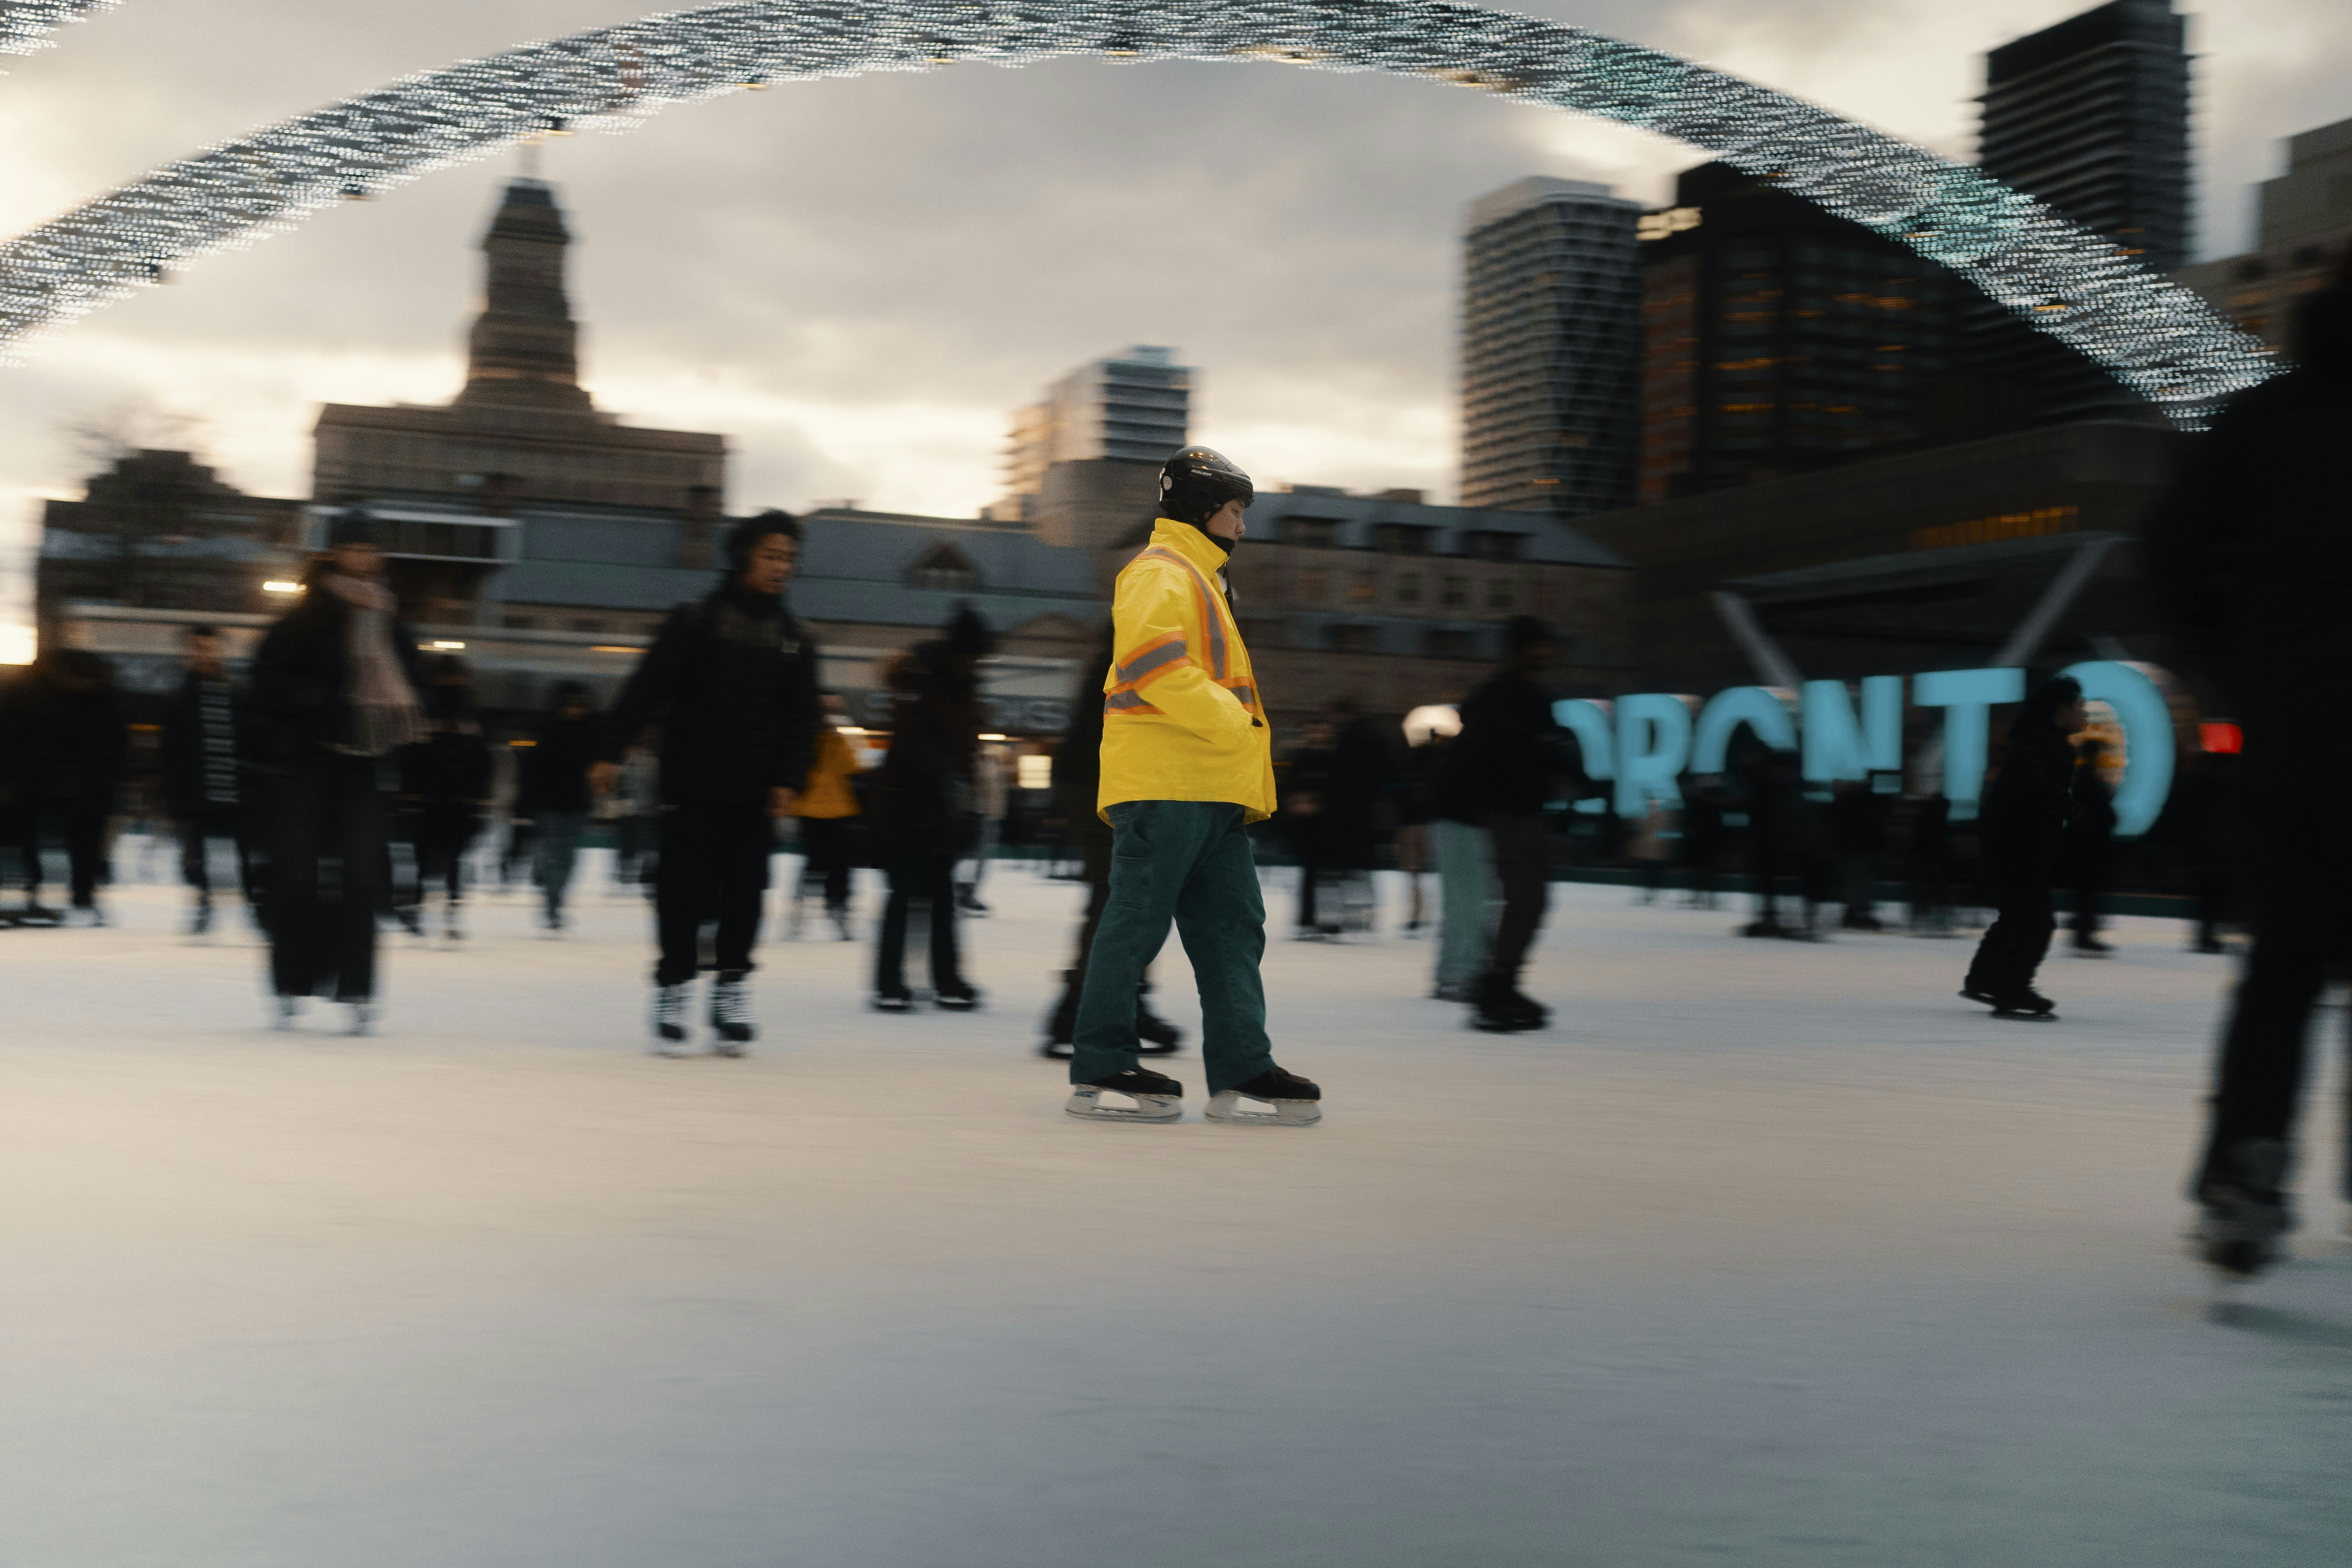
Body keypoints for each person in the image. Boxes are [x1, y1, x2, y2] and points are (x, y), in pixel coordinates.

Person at [2145, 262, 2352, 1277]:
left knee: (2284, 963)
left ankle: (2243, 1170)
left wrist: (2227, 677)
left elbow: (2169, 561)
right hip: (2293, 736)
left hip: (2284, 742)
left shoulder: (2260, 425)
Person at [1063, 447, 1316, 1125]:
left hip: (1216, 791)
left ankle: (1243, 1066)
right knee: (1135, 926)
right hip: (1166, 786)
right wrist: (1233, 721)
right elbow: (1151, 666)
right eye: (1236, 509)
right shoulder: (1159, 573)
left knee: (1234, 931)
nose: (1242, 525)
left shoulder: (1207, 581)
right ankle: (1101, 1061)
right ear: (1205, 509)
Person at [594, 510, 821, 1057]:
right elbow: (647, 688)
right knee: (681, 892)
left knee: (746, 896)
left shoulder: (794, 639)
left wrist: (790, 778)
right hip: (692, 783)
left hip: (756, 793)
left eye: (789, 558)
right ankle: (673, 988)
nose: (781, 567)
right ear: (744, 556)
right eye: (771, 555)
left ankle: (731, 990)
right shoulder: (696, 621)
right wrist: (609, 750)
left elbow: (803, 719)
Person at [249, 514, 425, 1033]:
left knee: (362, 880)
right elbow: (265, 680)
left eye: (372, 548)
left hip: (367, 762)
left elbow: (420, 682)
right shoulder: (307, 614)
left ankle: (357, 988)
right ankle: (290, 983)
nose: (365, 557)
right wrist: (318, 703)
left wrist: (408, 713)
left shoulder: (391, 619)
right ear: (334, 554)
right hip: (309, 759)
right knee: (297, 876)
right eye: (354, 547)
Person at [1040, 623, 1183, 1059]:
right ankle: (1087, 1006)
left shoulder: (1128, 640)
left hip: (1104, 780)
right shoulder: (1147, 643)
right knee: (1122, 895)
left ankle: (1111, 1001)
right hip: (1112, 783)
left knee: (1125, 894)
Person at [1444, 616, 1581, 1033]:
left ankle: (1502, 981)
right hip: (1511, 814)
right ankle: (1497, 985)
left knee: (1527, 902)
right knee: (1526, 901)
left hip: (1519, 812)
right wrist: (1541, 750)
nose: (1550, 653)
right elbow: (1496, 746)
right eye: (1542, 645)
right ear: (1522, 648)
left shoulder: (1524, 696)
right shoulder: (1508, 696)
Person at [867, 613, 989, 1012]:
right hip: (906, 807)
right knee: (903, 896)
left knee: (940, 898)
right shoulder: (918, 680)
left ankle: (947, 979)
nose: (978, 665)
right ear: (960, 653)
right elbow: (911, 742)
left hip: (942, 813)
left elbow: (967, 745)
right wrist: (946, 777)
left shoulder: (965, 686)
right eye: (974, 657)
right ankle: (889, 983)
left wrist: (966, 794)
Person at [1957, 675, 2085, 1021]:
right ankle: (2012, 989)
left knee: (2016, 915)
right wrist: (2064, 803)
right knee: (2036, 920)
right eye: (2079, 706)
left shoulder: (2041, 740)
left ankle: (1984, 979)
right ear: (2061, 710)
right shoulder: (2039, 741)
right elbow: (2027, 775)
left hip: (2013, 841)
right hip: (2017, 844)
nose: (2084, 714)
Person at [159, 624, 261, 935]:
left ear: (222, 650)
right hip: (196, 792)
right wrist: (173, 800)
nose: (204, 654)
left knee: (250, 856)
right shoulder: (179, 700)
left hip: (238, 791)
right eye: (197, 648)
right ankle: (204, 902)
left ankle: (255, 907)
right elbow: (170, 755)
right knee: (196, 857)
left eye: (210, 647)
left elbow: (256, 744)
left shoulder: (240, 696)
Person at [394, 657, 494, 941]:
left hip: (432, 799)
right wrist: (479, 798)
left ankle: (422, 910)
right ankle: (445, 913)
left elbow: (409, 755)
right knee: (450, 861)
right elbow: (483, 761)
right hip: (454, 800)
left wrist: (408, 794)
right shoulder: (470, 716)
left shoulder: (427, 711)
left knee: (426, 859)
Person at [516, 681, 601, 932]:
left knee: (567, 855)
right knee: (556, 851)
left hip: (576, 804)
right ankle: (552, 901)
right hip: (550, 803)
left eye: (579, 705)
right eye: (571, 705)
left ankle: (554, 898)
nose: (575, 710)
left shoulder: (591, 734)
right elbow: (530, 769)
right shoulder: (546, 732)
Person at [787, 692, 863, 941]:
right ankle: (813, 911)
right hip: (816, 809)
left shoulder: (833, 740)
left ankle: (827, 910)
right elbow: (849, 767)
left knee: (833, 863)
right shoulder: (809, 739)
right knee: (822, 862)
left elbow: (851, 767)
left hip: (834, 809)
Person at [1280, 720, 1340, 938]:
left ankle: (1323, 918)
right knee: (1313, 875)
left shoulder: (1330, 759)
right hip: (1310, 828)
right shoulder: (1304, 759)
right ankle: (1310, 918)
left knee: (1323, 876)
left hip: (1325, 826)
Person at [2064, 737, 2118, 956]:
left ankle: (2082, 930)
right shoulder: (2090, 779)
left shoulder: (2080, 777)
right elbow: (2102, 813)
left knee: (2085, 892)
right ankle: (2084, 934)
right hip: (2091, 845)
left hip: (2082, 843)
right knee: (2088, 891)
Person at [955, 740, 1009, 915]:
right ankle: (961, 895)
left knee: (982, 861)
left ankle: (968, 894)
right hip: (976, 817)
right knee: (969, 859)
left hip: (993, 817)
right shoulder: (968, 764)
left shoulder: (992, 762)